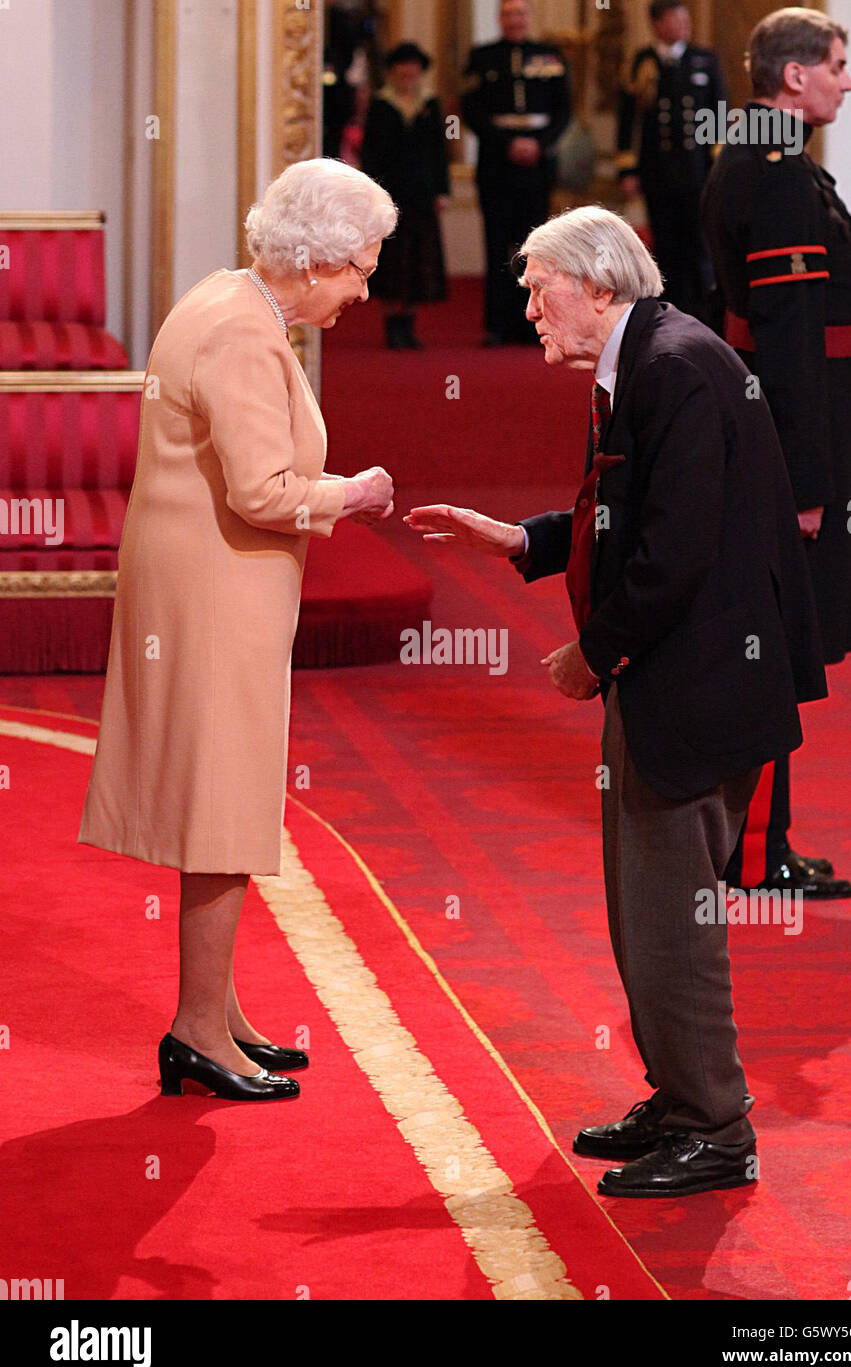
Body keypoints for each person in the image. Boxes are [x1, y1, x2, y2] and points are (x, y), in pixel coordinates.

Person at [405, 205, 827, 1198]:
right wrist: (520, 541)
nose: (523, 305)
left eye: (535, 286)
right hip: (691, 671)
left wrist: (589, 656)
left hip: (696, 681)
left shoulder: (671, 365)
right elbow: (625, 513)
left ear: (596, 286)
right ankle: (679, 1098)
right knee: (646, 912)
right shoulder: (650, 356)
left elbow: (672, 553)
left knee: (670, 918)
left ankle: (714, 1126)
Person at [79, 159, 397, 1102]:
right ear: (314, 258)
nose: (365, 289)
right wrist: (357, 493)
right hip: (216, 592)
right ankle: (196, 1029)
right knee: (221, 807)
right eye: (360, 268)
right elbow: (263, 493)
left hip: (213, 583)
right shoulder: (243, 333)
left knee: (231, 796)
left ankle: (217, 1011)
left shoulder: (229, 299)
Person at [702, 7, 851, 897]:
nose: (847, 81)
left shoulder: (761, 159)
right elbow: (786, 340)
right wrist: (808, 483)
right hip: (800, 447)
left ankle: (763, 839)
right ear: (793, 77)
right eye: (835, 64)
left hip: (809, 428)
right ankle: (753, 851)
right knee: (773, 648)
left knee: (778, 644)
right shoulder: (777, 175)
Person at [460, 0, 571, 345]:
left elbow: (564, 108)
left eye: (521, 14)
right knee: (497, 244)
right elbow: (471, 109)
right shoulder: (482, 57)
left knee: (535, 247)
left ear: (529, 18)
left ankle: (531, 322)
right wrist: (507, 143)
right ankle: (497, 324)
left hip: (537, 165)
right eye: (509, 14)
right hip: (497, 163)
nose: (515, 20)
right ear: (500, 19)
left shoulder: (549, 56)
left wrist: (539, 143)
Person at [616, 0, 725, 319]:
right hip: (657, 171)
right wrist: (627, 167)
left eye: (686, 19)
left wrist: (716, 166)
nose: (684, 25)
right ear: (657, 24)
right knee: (665, 245)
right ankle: (668, 313)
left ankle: (703, 315)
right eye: (676, 19)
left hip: (697, 171)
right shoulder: (641, 62)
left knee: (700, 245)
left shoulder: (704, 60)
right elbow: (627, 120)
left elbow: (718, 116)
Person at [361, 41, 450, 349]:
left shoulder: (431, 104)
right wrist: (370, 191)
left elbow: (440, 150)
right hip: (389, 191)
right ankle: (391, 324)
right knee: (391, 257)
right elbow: (369, 151)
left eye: (413, 65)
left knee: (418, 257)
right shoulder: (380, 105)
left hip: (422, 192)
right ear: (393, 69)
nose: (408, 71)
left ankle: (409, 324)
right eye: (402, 65)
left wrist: (442, 189)